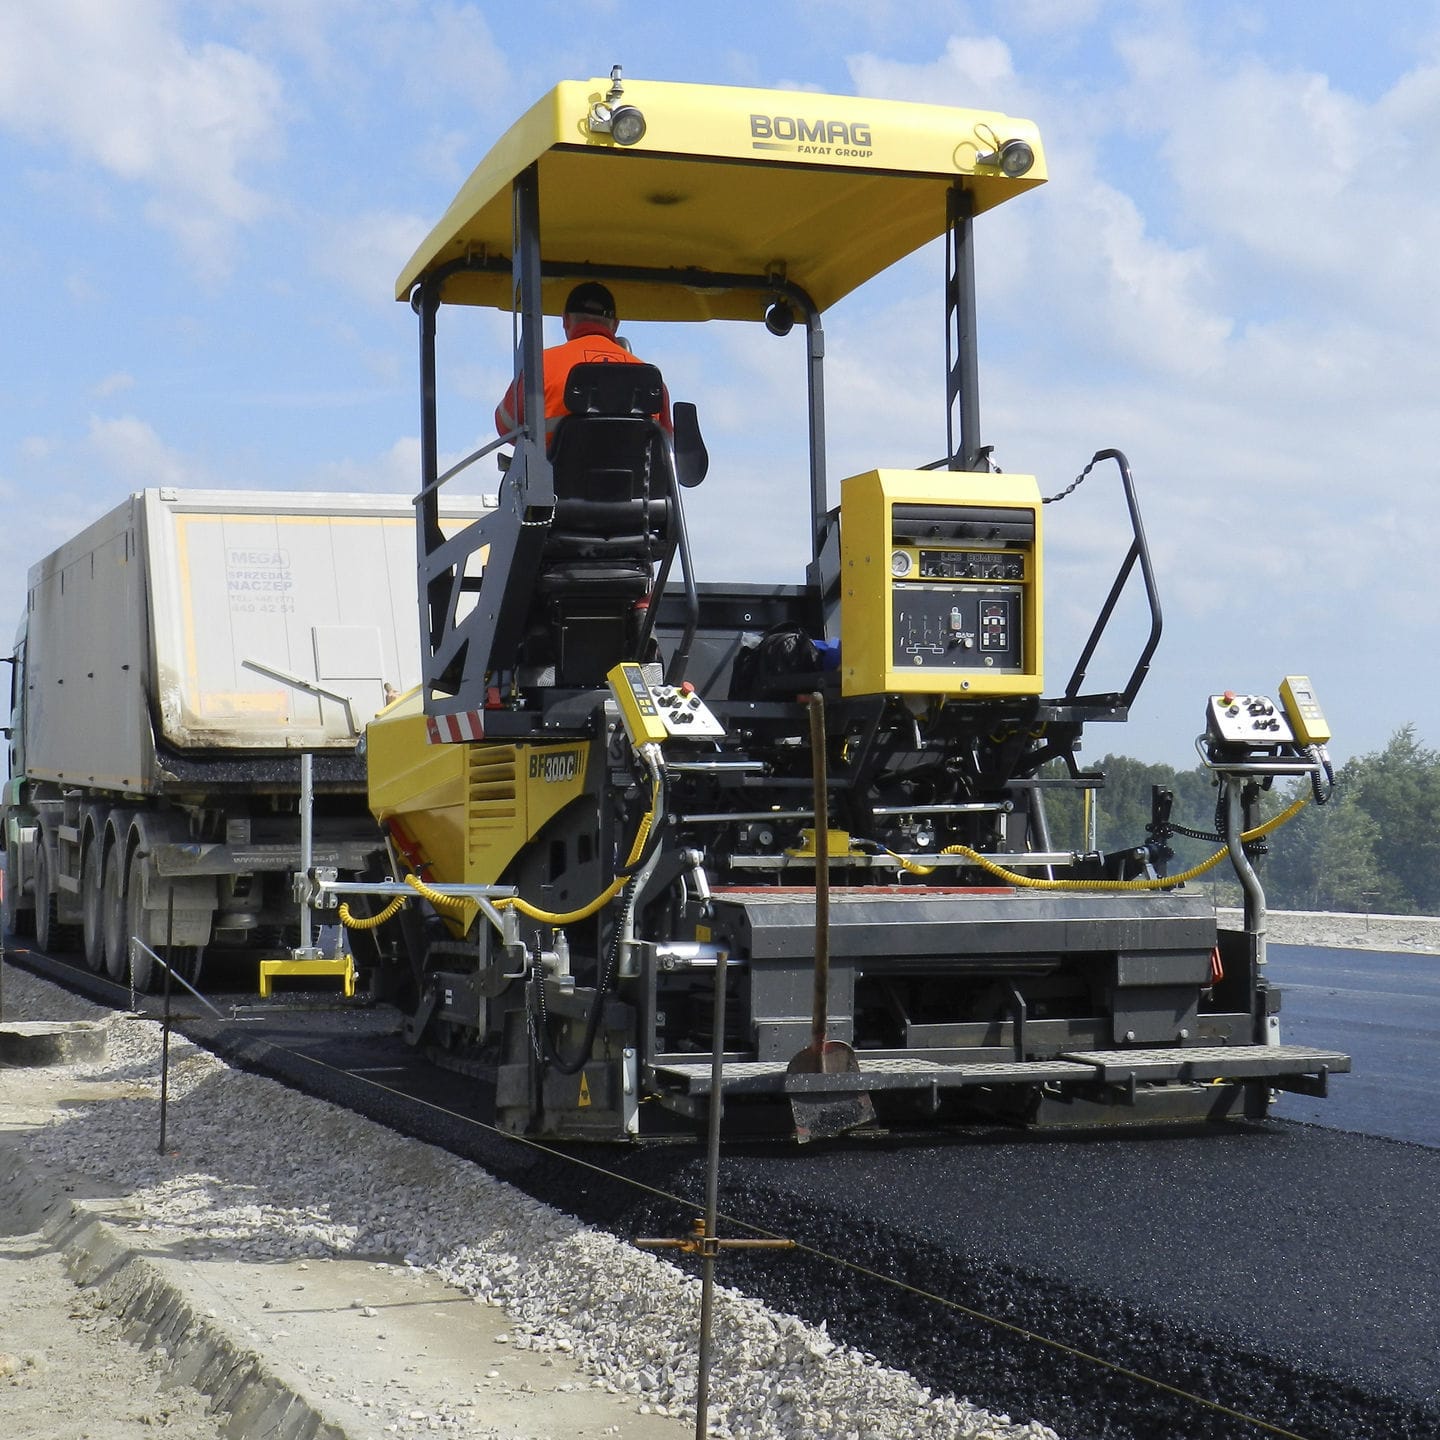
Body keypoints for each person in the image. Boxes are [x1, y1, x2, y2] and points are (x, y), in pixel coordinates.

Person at [494, 281, 672, 446]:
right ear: (615, 325)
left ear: (565, 320)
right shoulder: (651, 379)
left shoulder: (540, 365)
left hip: (556, 471)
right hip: (632, 472)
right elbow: (666, 443)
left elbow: (506, 426)